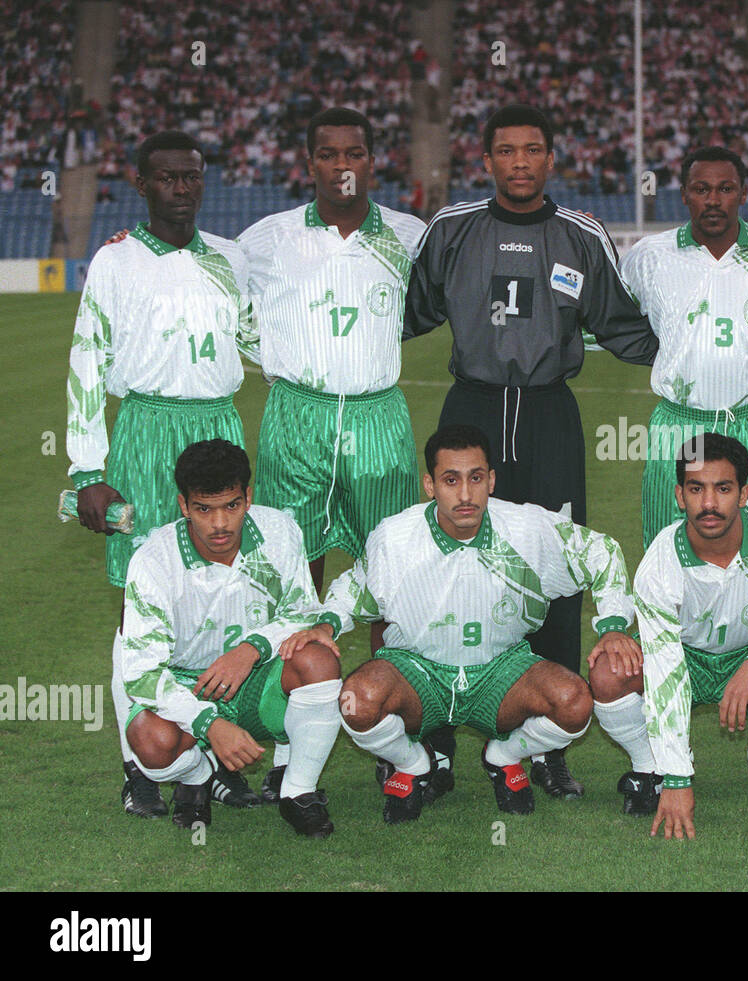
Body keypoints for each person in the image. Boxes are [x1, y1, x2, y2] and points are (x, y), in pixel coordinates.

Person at [403, 104, 658, 796]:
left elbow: (623, 325)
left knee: (559, 569)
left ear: (553, 160)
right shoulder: (454, 229)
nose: (519, 162)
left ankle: (545, 738)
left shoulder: (580, 235)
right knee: (450, 563)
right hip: (471, 410)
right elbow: (400, 310)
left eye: (533, 150)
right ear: (486, 160)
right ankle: (438, 737)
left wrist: (707, 353)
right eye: (506, 151)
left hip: (548, 414)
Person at [291, 425, 635, 824]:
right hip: (417, 671)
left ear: (491, 480)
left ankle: (503, 756)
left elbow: (603, 552)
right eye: (451, 480)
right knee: (355, 701)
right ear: (429, 485)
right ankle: (414, 763)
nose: (466, 495)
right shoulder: (395, 537)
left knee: (575, 702)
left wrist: (612, 625)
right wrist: (327, 623)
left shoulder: (528, 528)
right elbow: (354, 585)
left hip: (500, 671)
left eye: (476, 478)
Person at [66, 129, 257, 819]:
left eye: (193, 176)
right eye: (167, 177)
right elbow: (87, 357)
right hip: (145, 433)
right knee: (137, 605)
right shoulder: (116, 262)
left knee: (231, 598)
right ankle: (139, 766)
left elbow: (264, 341)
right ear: (141, 184)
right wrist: (88, 466)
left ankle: (220, 758)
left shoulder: (231, 260)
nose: (182, 187)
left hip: (219, 426)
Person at [237, 107, 427, 799]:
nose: (341, 164)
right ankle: (292, 739)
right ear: (309, 162)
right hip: (298, 416)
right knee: (294, 573)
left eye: (355, 151)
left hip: (378, 414)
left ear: (373, 160)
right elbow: (216, 296)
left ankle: (389, 724)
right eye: (327, 153)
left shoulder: (409, 237)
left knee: (388, 575)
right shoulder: (267, 239)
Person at [591, 434, 748, 837]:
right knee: (608, 672)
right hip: (686, 657)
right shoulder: (660, 562)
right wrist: (678, 777)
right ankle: (649, 768)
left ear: (743, 493)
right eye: (697, 489)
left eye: (723, 489)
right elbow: (665, 669)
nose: (709, 504)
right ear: (680, 496)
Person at [119, 440, 342, 838]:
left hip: (256, 676)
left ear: (248, 498)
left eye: (231, 506)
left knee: (317, 659)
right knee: (150, 744)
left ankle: (298, 792)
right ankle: (200, 771)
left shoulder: (280, 531)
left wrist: (250, 649)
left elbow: (302, 612)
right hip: (189, 684)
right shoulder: (153, 561)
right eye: (204, 509)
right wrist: (209, 723)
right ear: (184, 506)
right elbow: (140, 673)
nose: (220, 523)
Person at [619, 145, 748, 550]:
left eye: (725, 189)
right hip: (678, 424)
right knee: (670, 553)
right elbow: (615, 322)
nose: (712, 199)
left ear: (744, 193)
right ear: (685, 194)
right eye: (701, 189)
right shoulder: (650, 257)